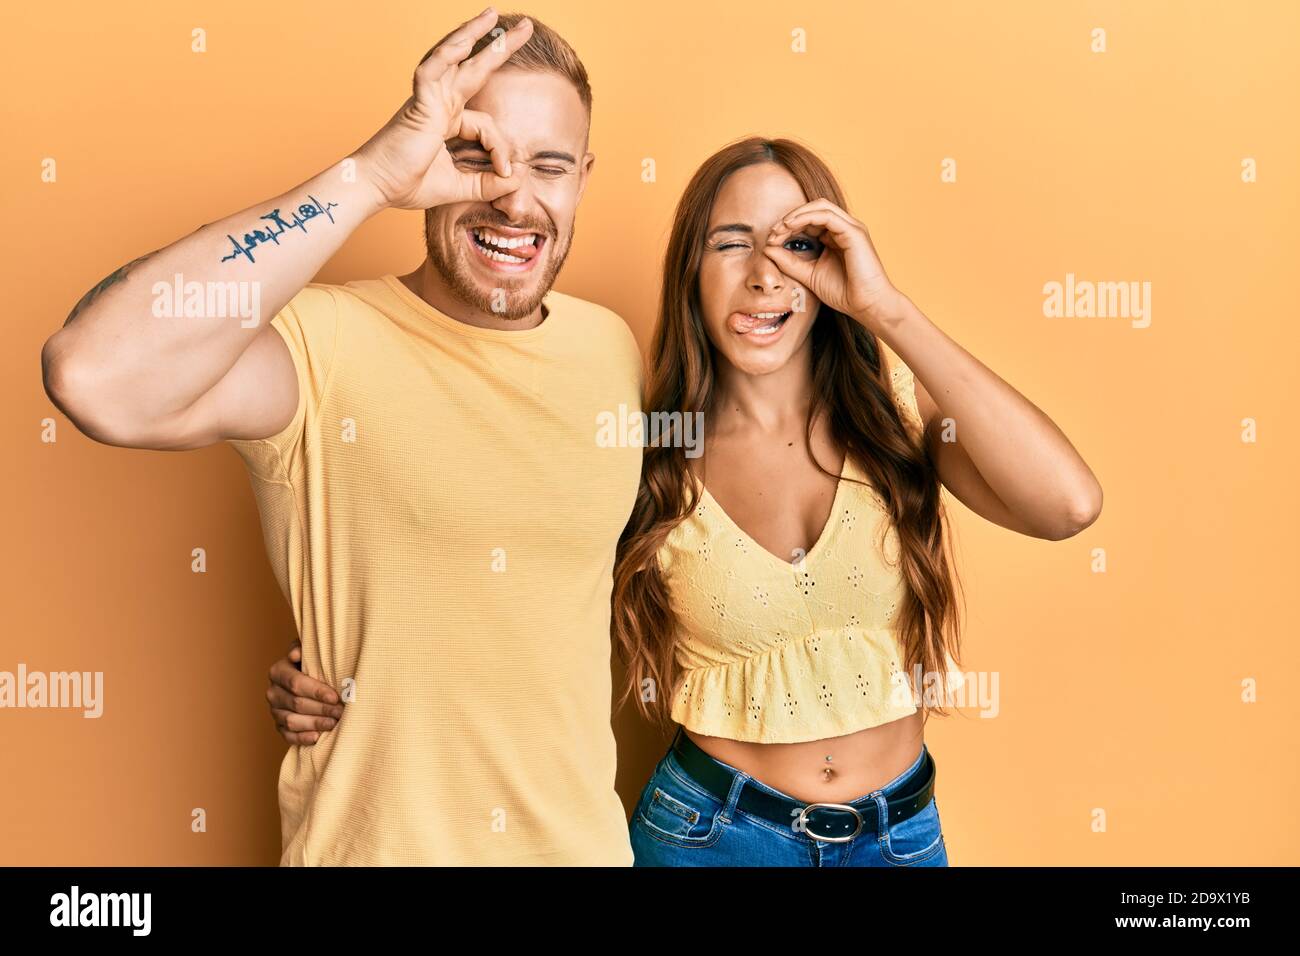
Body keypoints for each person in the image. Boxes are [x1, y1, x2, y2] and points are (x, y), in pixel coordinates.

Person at [268, 137, 1104, 866]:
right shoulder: (643, 436)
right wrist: (344, 676)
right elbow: (492, 559)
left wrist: (887, 310)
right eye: (730, 243)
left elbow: (1066, 503)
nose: (765, 275)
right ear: (692, 270)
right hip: (712, 837)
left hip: (901, 838)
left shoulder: (891, 415)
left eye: (799, 246)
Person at [41, 10, 645, 866]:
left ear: (584, 176)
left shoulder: (612, 349)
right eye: (475, 157)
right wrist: (366, 176)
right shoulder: (322, 344)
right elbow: (90, 373)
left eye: (549, 165)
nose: (513, 198)